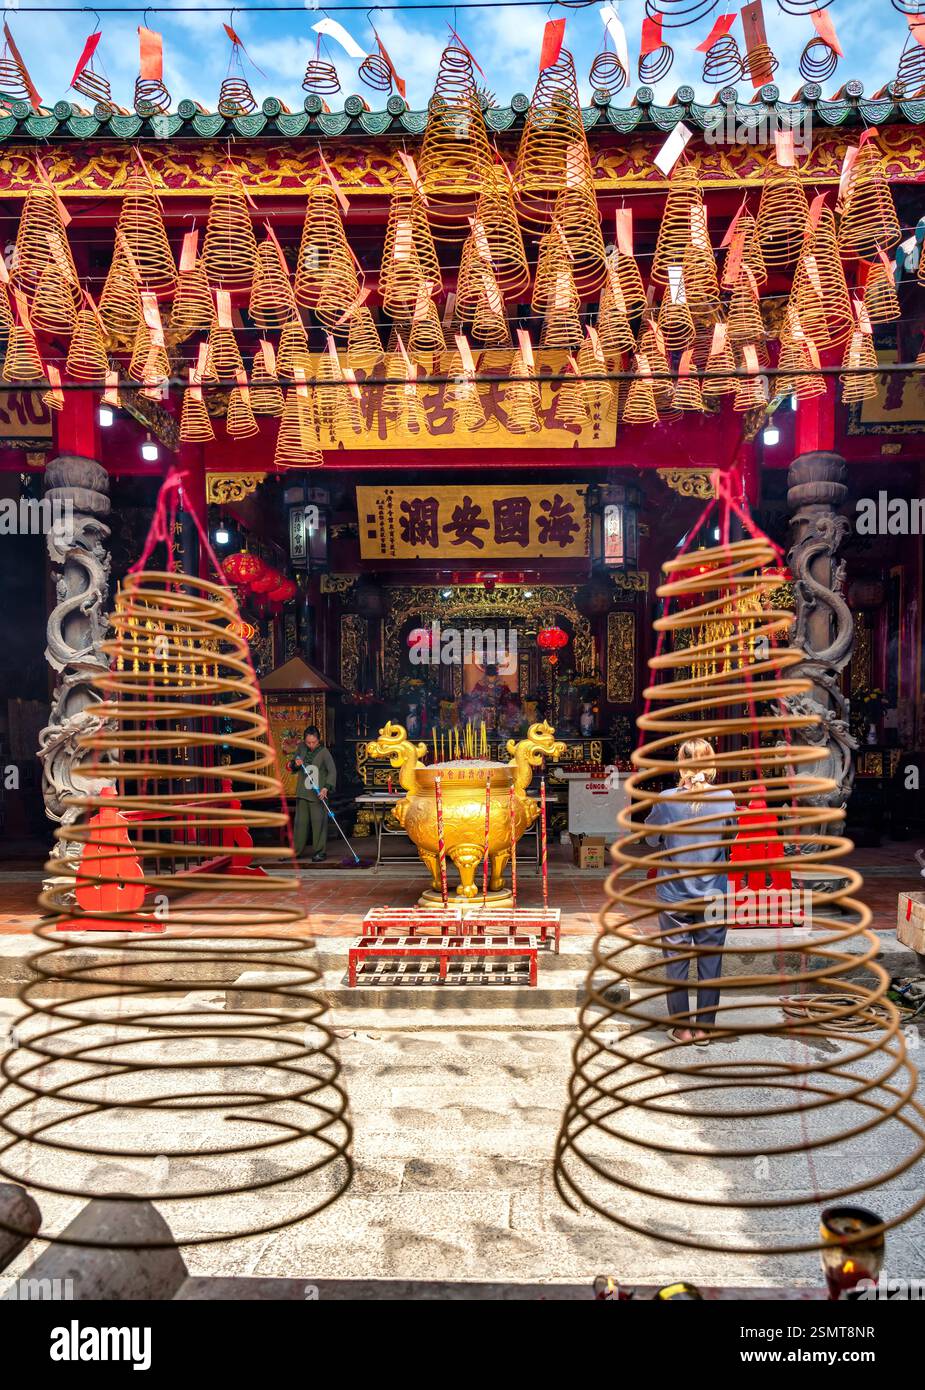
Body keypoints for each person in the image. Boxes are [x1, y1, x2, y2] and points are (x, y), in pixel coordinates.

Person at [644, 738, 737, 1046]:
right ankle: (704, 1029)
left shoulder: (667, 798)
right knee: (711, 961)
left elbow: (649, 839)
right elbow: (729, 836)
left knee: (676, 960)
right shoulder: (725, 797)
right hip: (713, 893)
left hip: (675, 894)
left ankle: (681, 1028)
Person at [288, 726, 337, 863]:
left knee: (318, 824)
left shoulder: (324, 752)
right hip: (303, 792)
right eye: (308, 742)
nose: (310, 745)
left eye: (313, 742)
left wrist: (326, 788)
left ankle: (320, 852)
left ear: (318, 740)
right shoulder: (301, 748)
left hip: (318, 793)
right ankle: (296, 851)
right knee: (300, 824)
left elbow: (332, 772)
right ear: (304, 740)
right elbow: (291, 765)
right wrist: (295, 764)